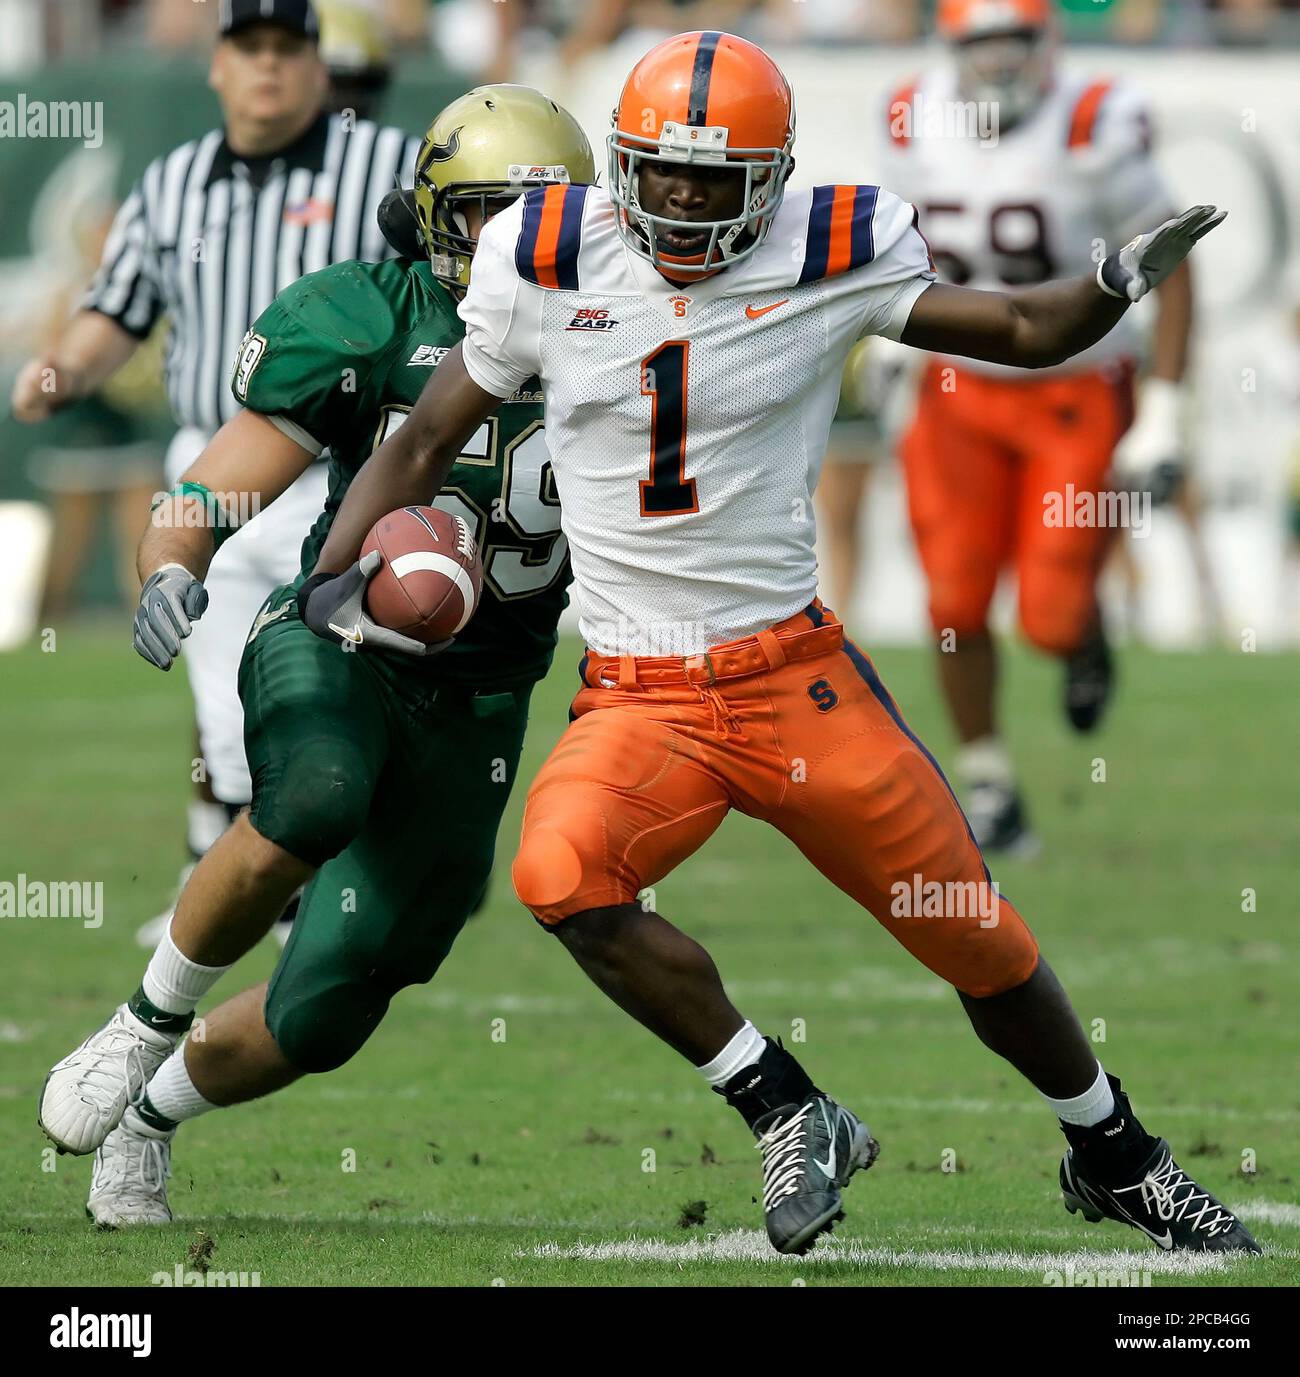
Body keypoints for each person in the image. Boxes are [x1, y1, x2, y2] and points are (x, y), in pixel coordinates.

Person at [294, 31, 1255, 1257]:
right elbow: (423, 440)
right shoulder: (539, 254)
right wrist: (332, 578)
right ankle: (783, 1102)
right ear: (620, 167)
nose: (686, 198)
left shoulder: (829, 242)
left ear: (775, 178)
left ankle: (1114, 1153)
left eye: (716, 177)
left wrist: (1117, 279)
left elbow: (1017, 327)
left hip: (790, 676)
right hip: (639, 695)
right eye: (663, 172)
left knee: (974, 932)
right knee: (560, 877)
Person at [37, 86, 593, 1228]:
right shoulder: (369, 315)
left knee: (328, 1012)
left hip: (484, 702)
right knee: (317, 794)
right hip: (338, 633)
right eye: (491, 212)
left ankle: (151, 1116)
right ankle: (138, 1023)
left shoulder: (620, 328)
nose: (517, 243)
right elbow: (214, 484)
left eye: (544, 216)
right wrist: (172, 562)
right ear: (439, 217)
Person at [11, 0, 420, 947]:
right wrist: (63, 368)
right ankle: (248, 877)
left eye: (288, 50)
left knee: (359, 678)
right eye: (251, 50)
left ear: (319, 65)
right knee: (224, 691)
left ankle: (349, 871)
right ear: (217, 66)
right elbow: (117, 305)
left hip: (346, 461)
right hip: (214, 459)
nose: (268, 70)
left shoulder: (386, 166)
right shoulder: (173, 182)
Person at [886, 0, 1203, 852]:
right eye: (978, 43)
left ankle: (1086, 639)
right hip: (956, 387)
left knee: (1050, 617)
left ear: (1046, 43)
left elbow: (1169, 264)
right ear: (951, 48)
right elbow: (896, 246)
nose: (996, 63)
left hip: (1076, 388)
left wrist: (1167, 410)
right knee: (952, 597)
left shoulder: (1094, 120)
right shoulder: (913, 115)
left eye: (1012, 41)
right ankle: (988, 781)